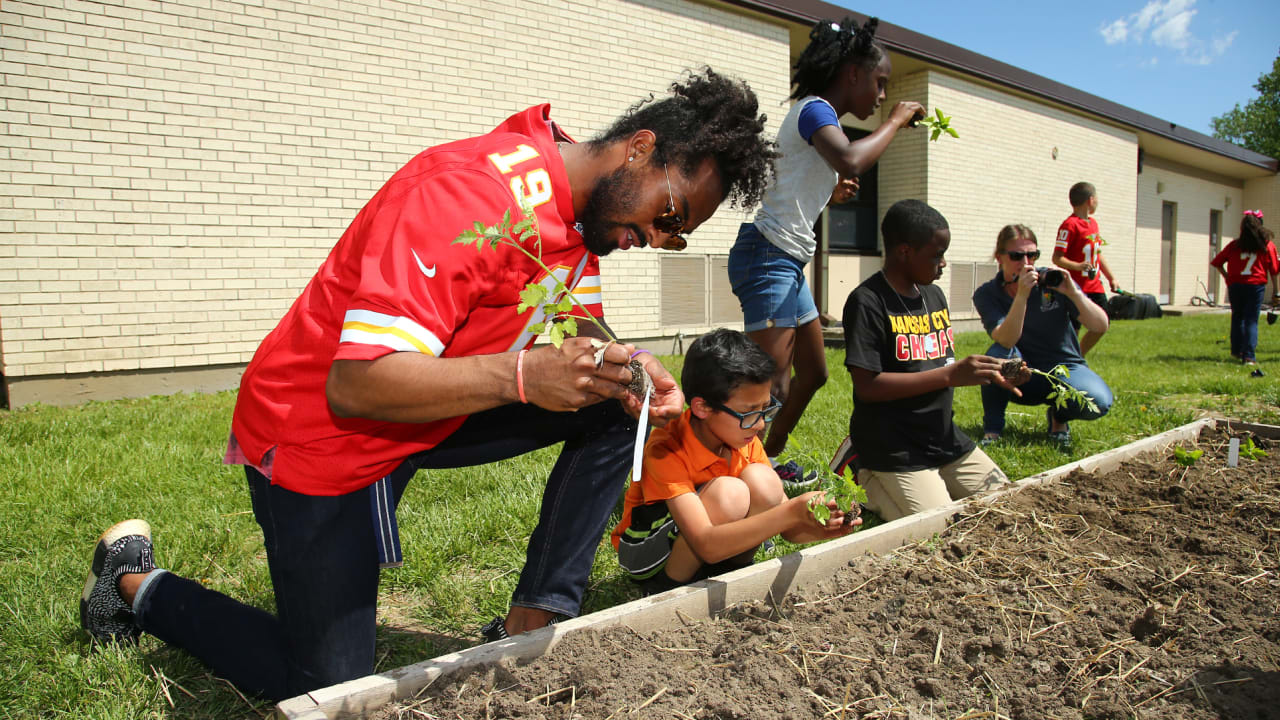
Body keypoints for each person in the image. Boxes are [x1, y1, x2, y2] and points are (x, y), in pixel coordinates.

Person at [78, 69, 777, 702]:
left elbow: (569, 320)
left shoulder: (579, 217)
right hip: (324, 433)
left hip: (422, 413)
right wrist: (525, 375)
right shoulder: (464, 196)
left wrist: (624, 365)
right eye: (671, 215)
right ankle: (133, 584)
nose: (658, 240)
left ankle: (532, 621)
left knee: (615, 403)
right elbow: (357, 386)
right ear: (639, 149)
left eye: (675, 237)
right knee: (326, 689)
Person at [727, 16, 925, 487]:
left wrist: (829, 196)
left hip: (787, 262)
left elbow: (800, 181)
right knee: (769, 384)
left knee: (813, 373)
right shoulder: (816, 110)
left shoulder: (821, 119)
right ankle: (726, 469)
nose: (880, 97)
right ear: (852, 73)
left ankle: (766, 461)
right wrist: (895, 119)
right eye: (879, 83)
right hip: (767, 256)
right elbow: (851, 157)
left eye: (887, 92)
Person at [611, 328, 857, 594]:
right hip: (648, 553)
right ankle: (670, 587)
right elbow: (705, 542)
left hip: (714, 549)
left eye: (765, 408)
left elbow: (786, 526)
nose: (761, 424)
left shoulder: (744, 438)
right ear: (702, 408)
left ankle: (730, 571)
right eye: (748, 413)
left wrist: (821, 526)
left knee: (763, 481)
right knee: (730, 493)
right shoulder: (666, 449)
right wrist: (791, 512)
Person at [842, 200, 1015, 522]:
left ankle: (916, 486)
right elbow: (867, 387)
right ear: (905, 251)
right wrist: (949, 376)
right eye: (937, 254)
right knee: (939, 525)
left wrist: (993, 372)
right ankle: (860, 471)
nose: (944, 263)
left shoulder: (933, 296)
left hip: (944, 438)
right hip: (893, 445)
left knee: (1006, 502)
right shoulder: (867, 302)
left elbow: (940, 363)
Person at [975, 223, 1114, 447]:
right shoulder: (987, 294)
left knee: (1098, 402)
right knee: (997, 356)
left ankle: (1059, 418)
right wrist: (1022, 296)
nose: (1026, 263)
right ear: (999, 257)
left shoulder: (1052, 282)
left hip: (1062, 369)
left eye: (1032, 255)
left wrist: (1074, 292)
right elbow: (1006, 339)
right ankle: (993, 429)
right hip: (1021, 375)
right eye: (1016, 256)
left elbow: (1099, 325)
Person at [1052, 181, 1119, 355]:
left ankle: (1079, 355)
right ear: (1090, 200)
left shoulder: (1094, 224)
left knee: (1102, 323)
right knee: (1073, 327)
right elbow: (1057, 258)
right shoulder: (1069, 225)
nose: (1097, 202)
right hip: (1075, 288)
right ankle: (1068, 359)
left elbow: (1097, 254)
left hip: (1095, 286)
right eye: (1096, 198)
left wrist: (1111, 277)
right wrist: (1078, 266)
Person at [1211, 210, 1279, 373]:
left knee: (1237, 317)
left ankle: (1236, 351)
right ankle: (1248, 356)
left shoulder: (1234, 245)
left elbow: (1217, 262)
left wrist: (1227, 277)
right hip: (1255, 286)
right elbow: (1274, 270)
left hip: (1235, 285)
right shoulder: (1266, 245)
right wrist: (1276, 291)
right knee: (1251, 320)